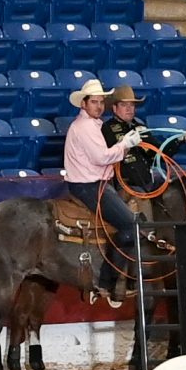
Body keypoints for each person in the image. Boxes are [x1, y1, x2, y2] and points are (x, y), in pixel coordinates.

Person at [61, 79, 147, 307]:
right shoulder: (87, 127)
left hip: (95, 184)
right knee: (131, 225)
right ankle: (106, 282)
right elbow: (102, 158)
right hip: (89, 186)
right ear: (84, 104)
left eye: (101, 102)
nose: (99, 106)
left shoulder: (91, 125)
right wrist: (126, 144)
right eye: (95, 102)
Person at [103, 85, 186, 198]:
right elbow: (106, 157)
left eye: (132, 105)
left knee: (179, 190)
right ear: (115, 108)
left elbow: (158, 154)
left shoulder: (140, 127)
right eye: (123, 105)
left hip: (147, 181)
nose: (129, 108)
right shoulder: (106, 129)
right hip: (127, 185)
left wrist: (181, 139)